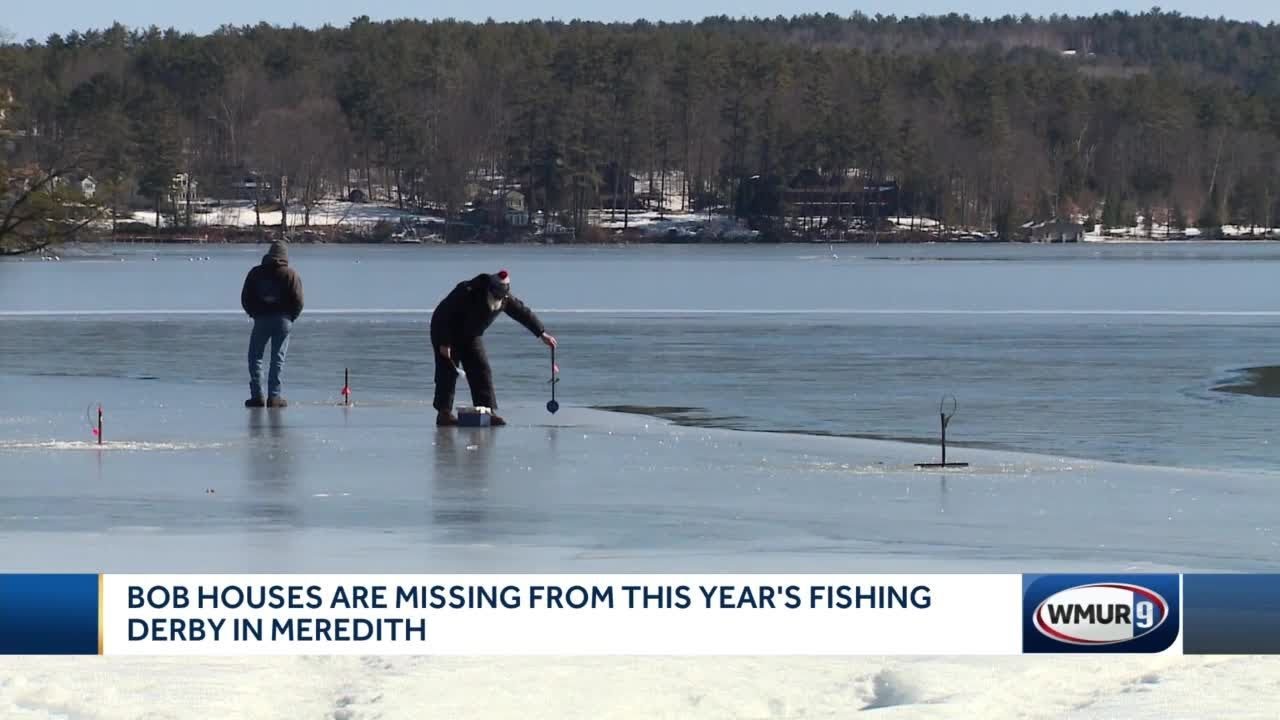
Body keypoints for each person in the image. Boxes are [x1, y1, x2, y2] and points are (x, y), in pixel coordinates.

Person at [430, 269, 556, 426]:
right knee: (448, 371)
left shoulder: (504, 298)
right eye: (497, 295)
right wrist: (444, 342)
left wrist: (542, 333)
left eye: (502, 296)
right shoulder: (468, 291)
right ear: (490, 288)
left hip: (471, 335)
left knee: (481, 369)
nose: (499, 299)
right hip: (446, 330)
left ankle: (487, 411)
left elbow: (522, 313)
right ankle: (444, 413)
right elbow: (445, 314)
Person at [241, 240, 304, 408]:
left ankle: (257, 396)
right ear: (285, 256)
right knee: (278, 359)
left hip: (261, 319)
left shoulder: (256, 273)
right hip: (283, 320)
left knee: (255, 358)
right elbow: (298, 300)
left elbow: (246, 297)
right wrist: (291, 317)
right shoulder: (291, 274)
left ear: (269, 254)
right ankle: (274, 397)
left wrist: (254, 313)